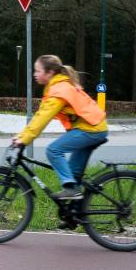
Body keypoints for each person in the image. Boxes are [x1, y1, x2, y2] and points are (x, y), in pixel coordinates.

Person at [12, 54, 109, 200]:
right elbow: (40, 115)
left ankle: (70, 189)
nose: (35, 74)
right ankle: (74, 215)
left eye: (38, 71)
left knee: (53, 150)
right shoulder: (57, 87)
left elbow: (43, 118)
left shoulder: (60, 90)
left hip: (91, 129)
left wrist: (24, 139)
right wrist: (22, 136)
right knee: (73, 175)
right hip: (92, 128)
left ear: (49, 72)